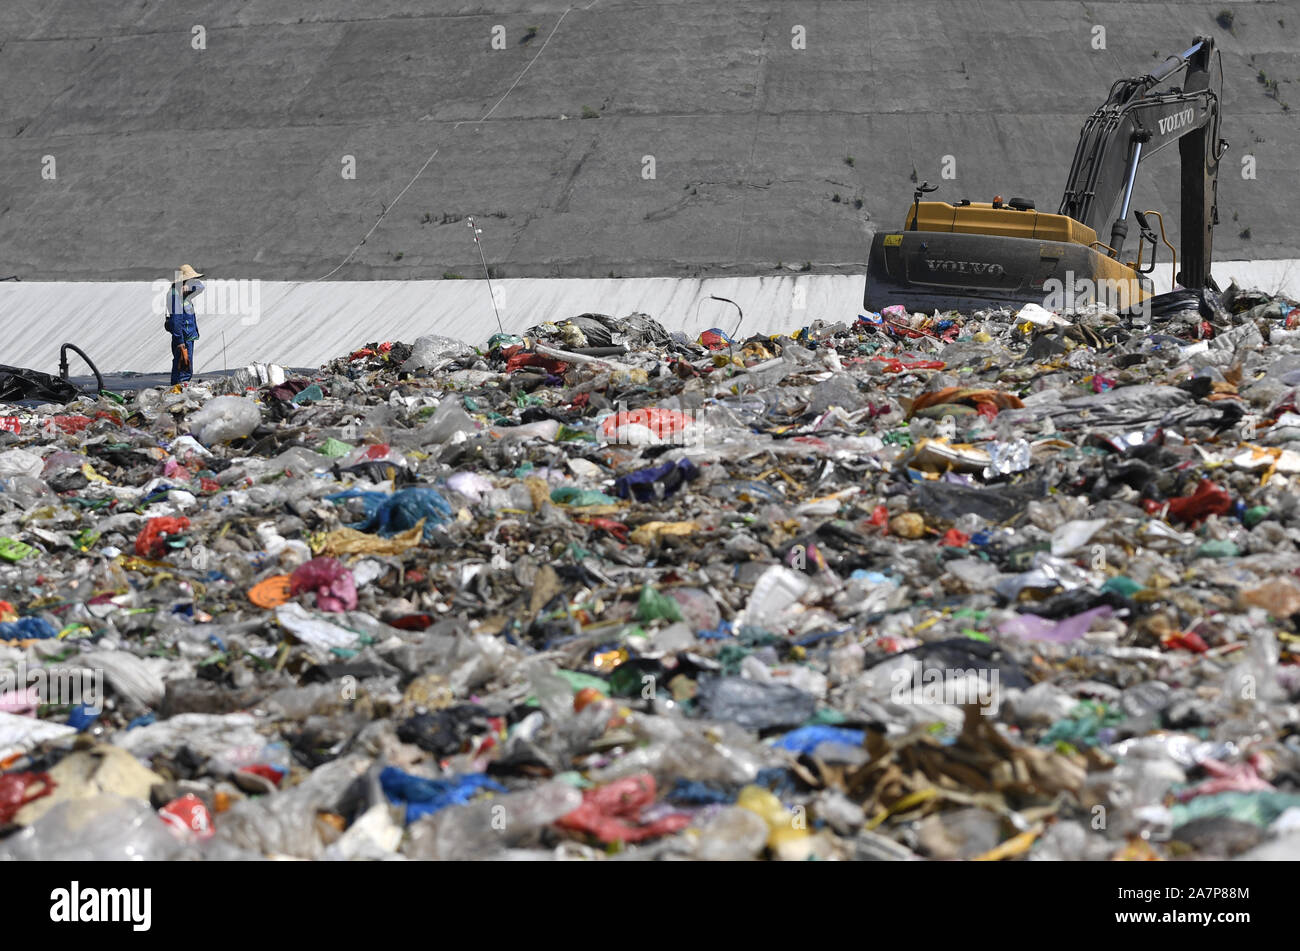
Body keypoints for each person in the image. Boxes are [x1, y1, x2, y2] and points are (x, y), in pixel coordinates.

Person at [166, 264, 205, 385]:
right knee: (184, 369)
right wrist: (180, 341)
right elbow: (176, 320)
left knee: (183, 367)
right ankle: (178, 393)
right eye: (189, 279)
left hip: (187, 336)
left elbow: (200, 287)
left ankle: (178, 391)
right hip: (183, 338)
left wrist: (188, 287)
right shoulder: (175, 295)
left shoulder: (184, 294)